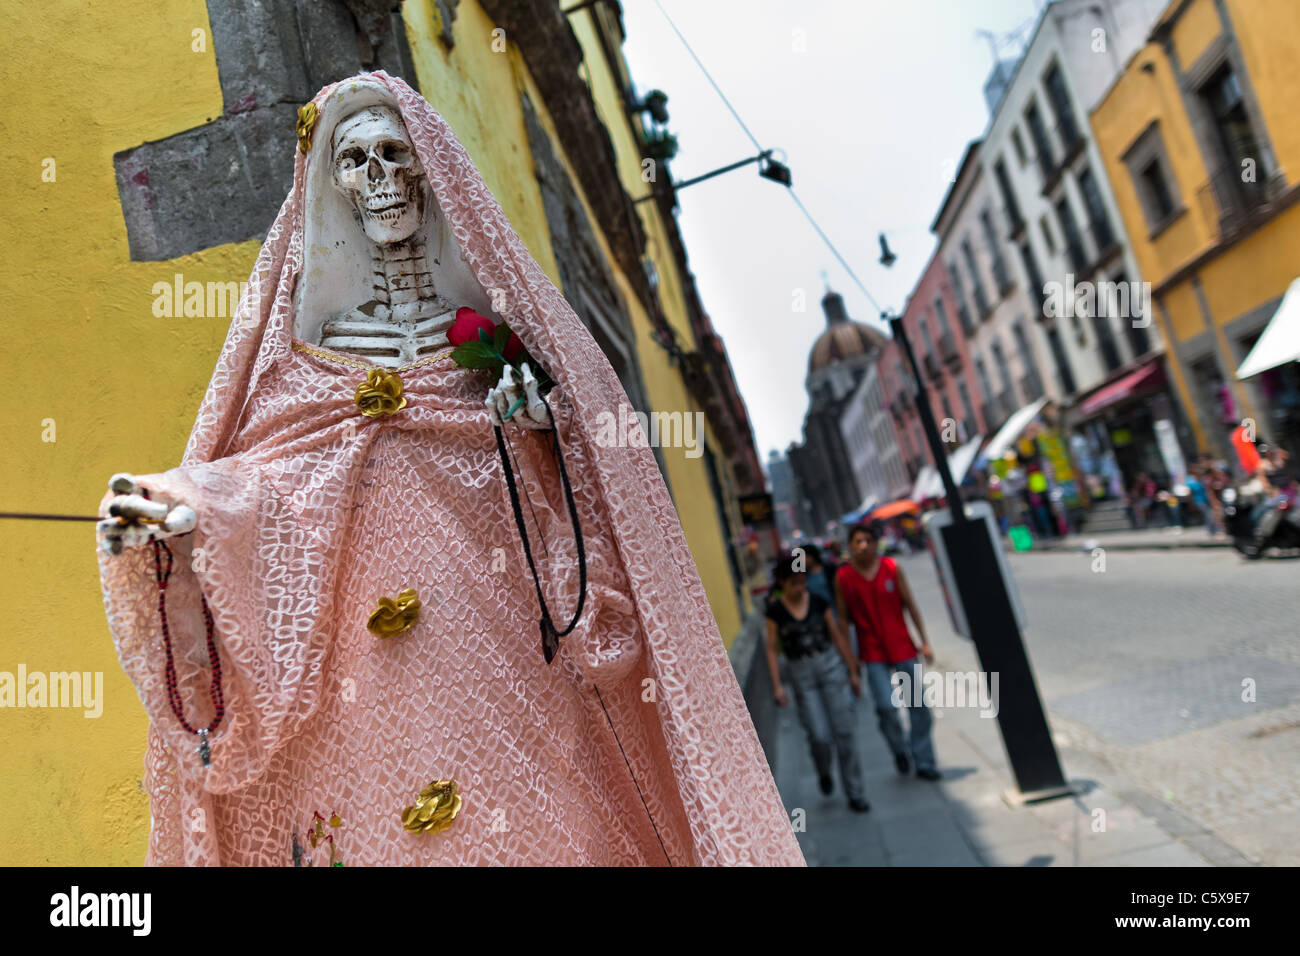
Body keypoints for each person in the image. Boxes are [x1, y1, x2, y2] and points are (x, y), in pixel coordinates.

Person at [93, 73, 804, 867]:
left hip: (503, 645)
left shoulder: (496, 343)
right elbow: (271, 483)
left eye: (396, 154)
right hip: (369, 682)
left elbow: (593, 473)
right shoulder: (311, 357)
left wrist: (547, 422)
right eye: (356, 161)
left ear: (430, 169)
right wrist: (183, 510)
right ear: (334, 186)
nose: (381, 178)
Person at [765, 555, 870, 813]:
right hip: (802, 675)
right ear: (782, 583)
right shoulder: (775, 611)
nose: (800, 588)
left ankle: (855, 792)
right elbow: (771, 649)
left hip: (830, 667)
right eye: (794, 583)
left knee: (844, 731)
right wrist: (777, 685)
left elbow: (836, 636)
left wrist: (852, 671)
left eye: (803, 582)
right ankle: (823, 769)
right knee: (819, 735)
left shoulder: (819, 602)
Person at [835, 523, 940, 780]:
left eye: (868, 540)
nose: (863, 546)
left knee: (918, 706)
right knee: (885, 707)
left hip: (902, 645)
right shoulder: (844, 578)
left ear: (875, 543)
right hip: (872, 653)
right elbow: (842, 623)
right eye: (858, 541)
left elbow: (910, 605)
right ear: (850, 546)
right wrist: (851, 664)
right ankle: (899, 750)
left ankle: (924, 759)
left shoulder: (891, 568)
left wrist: (924, 641)